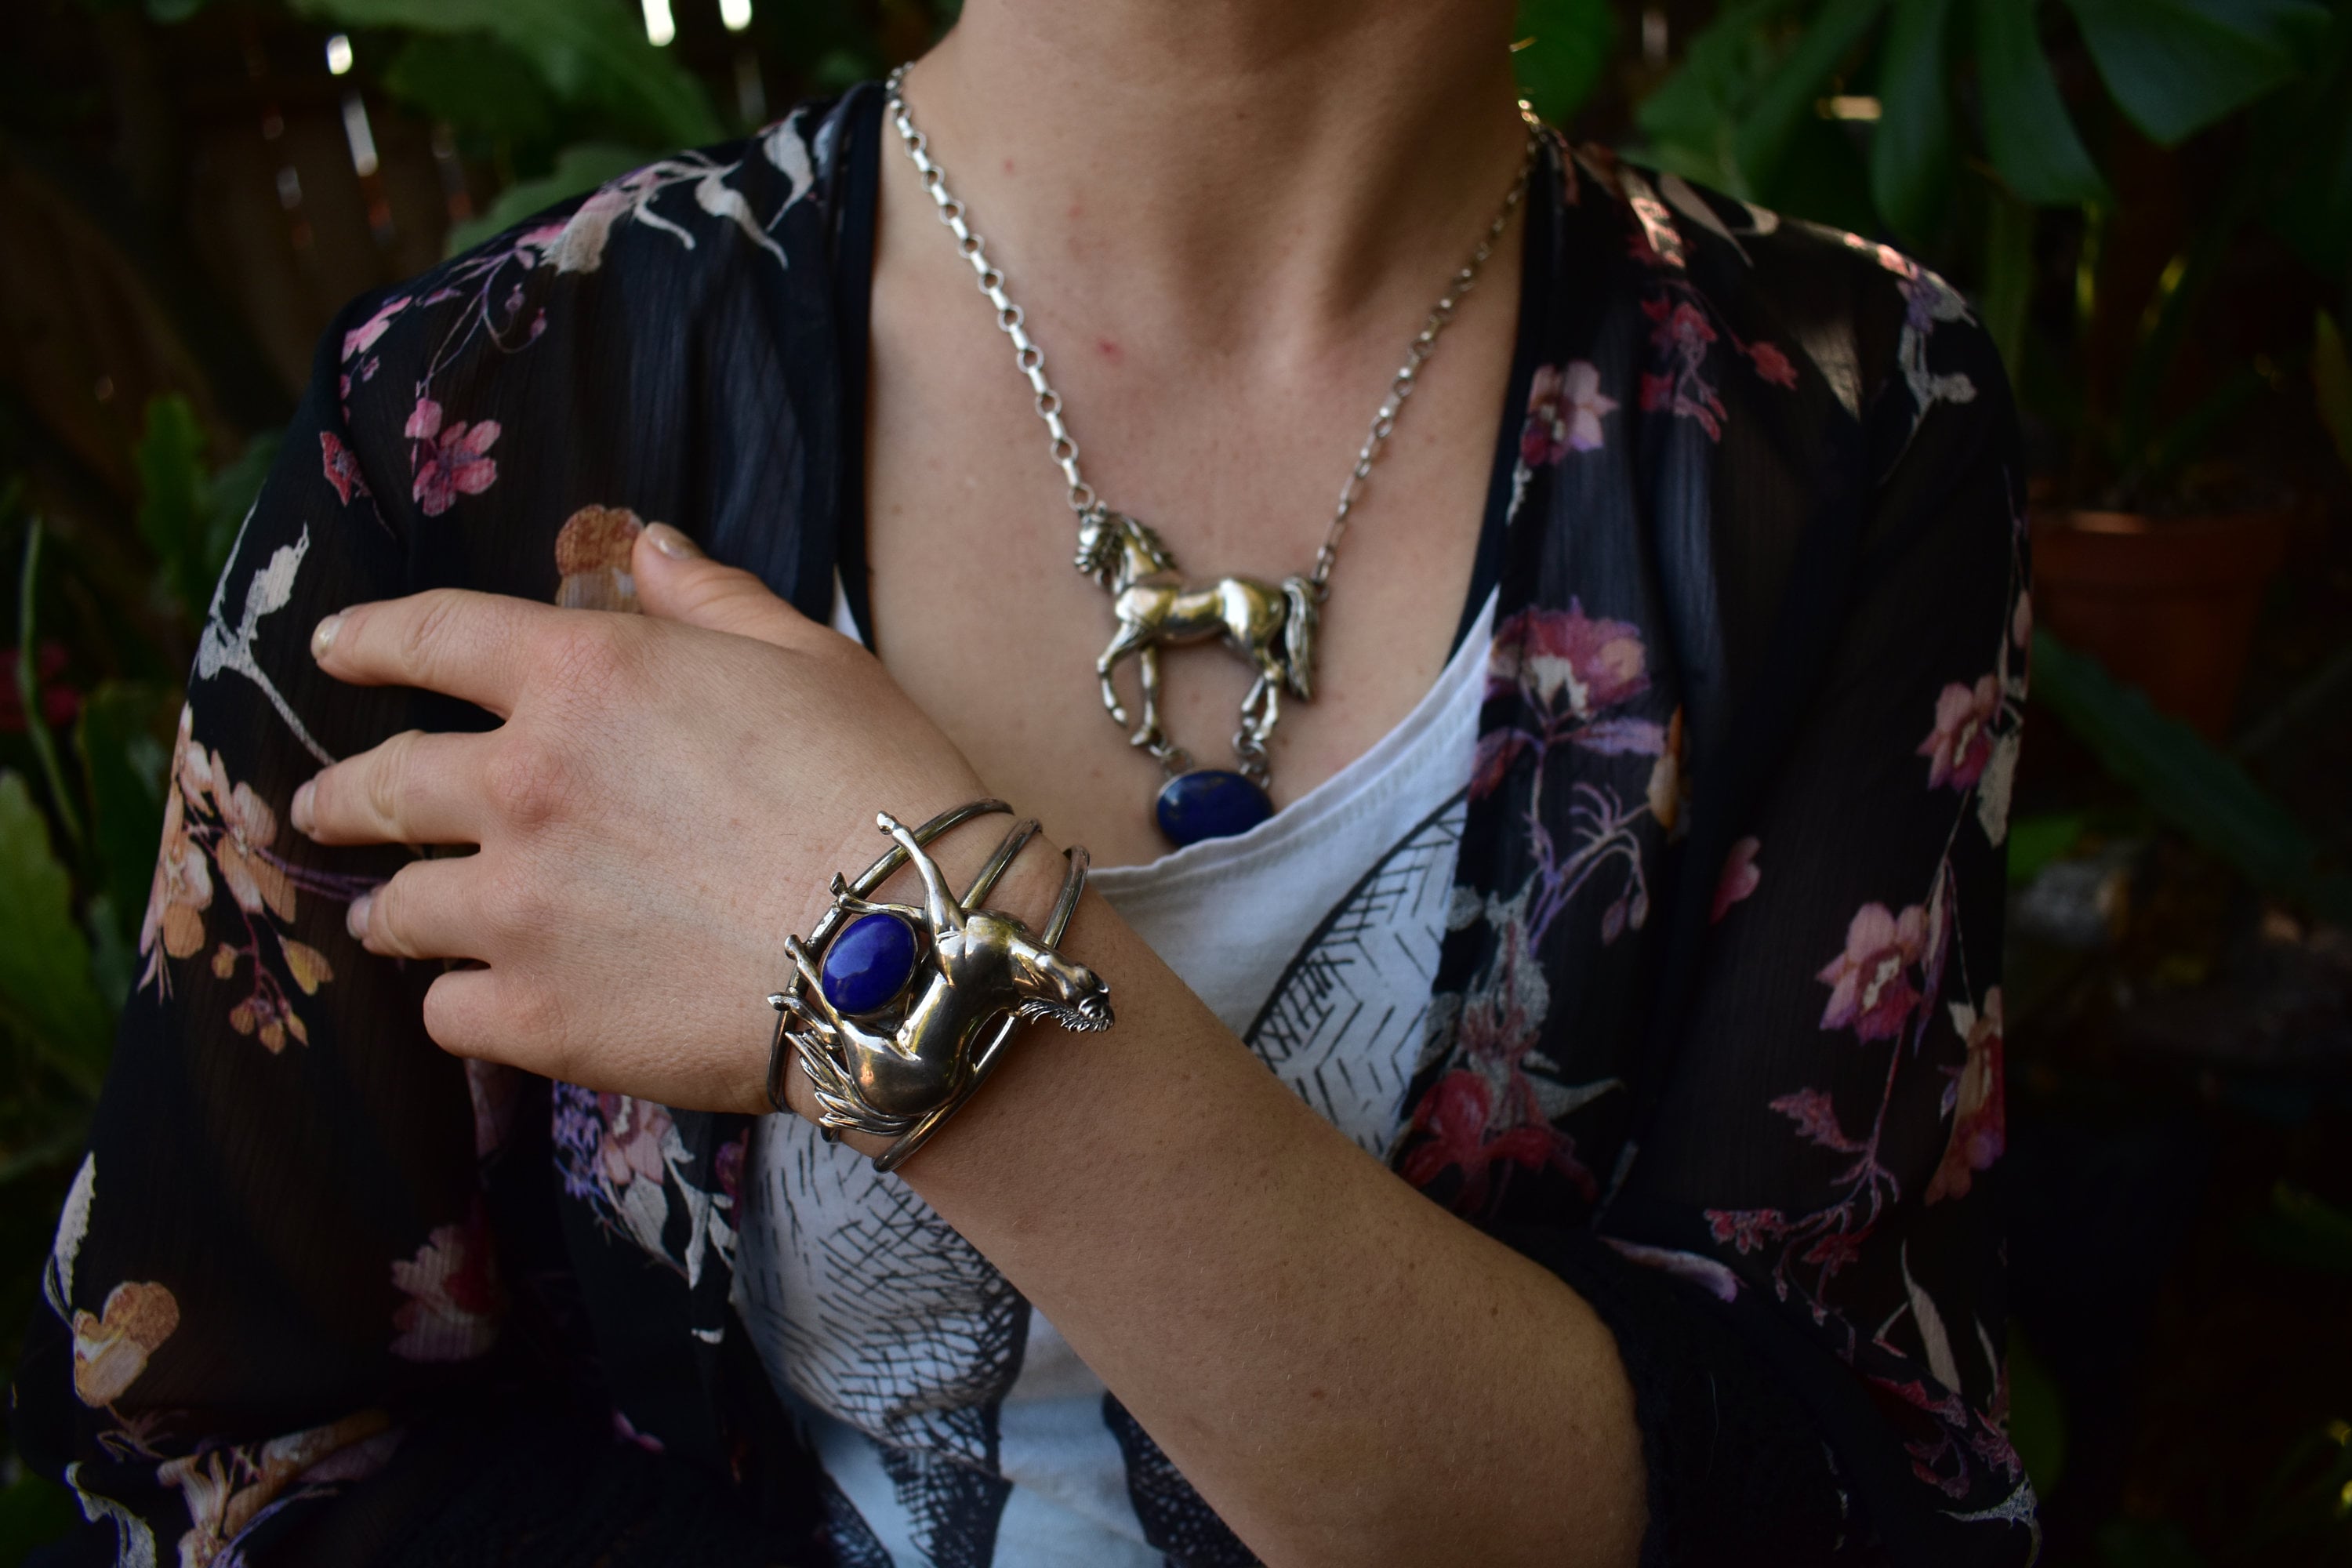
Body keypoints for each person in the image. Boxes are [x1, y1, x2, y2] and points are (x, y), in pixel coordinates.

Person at [15, 1, 2036, 1563]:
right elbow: (216, 1438)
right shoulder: (473, 420)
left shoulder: (1846, 420)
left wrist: (903, 959)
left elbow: (1844, 1485)